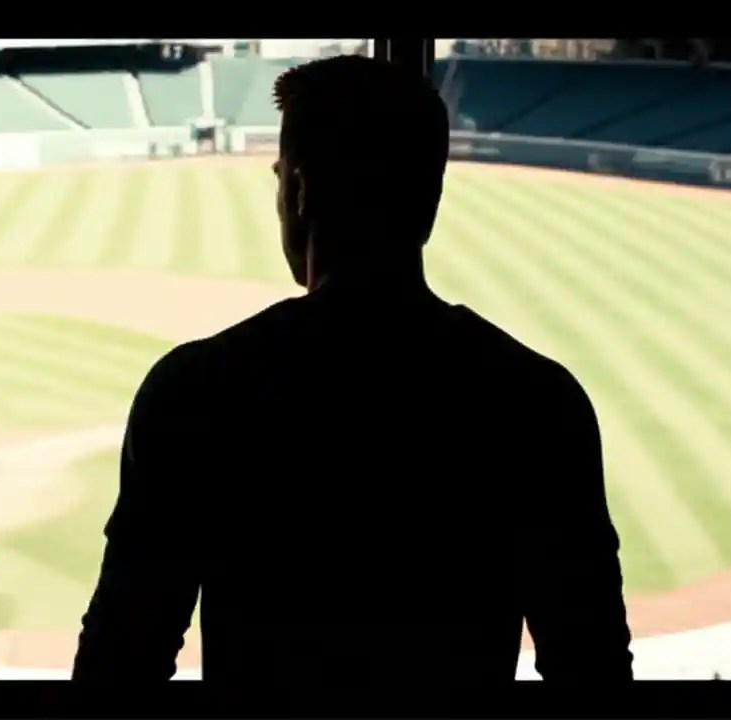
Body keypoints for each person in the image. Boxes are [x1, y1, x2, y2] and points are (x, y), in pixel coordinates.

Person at [71, 54, 633, 688]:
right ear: (432, 196)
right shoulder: (539, 403)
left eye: (281, 179)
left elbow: (119, 665)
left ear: (302, 191)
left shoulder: (196, 392)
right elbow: (595, 671)